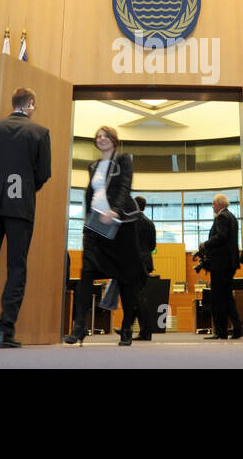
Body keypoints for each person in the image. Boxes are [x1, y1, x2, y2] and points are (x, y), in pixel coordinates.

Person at [0, 87, 52, 348]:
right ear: (31, 104)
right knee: (17, 268)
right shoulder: (40, 133)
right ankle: (5, 330)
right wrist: (24, 187)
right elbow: (43, 172)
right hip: (20, 208)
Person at [63, 125, 145, 346]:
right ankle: (79, 326)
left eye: (105, 135)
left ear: (114, 139)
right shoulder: (93, 165)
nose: (101, 138)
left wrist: (115, 210)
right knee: (86, 273)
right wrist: (88, 220)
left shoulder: (123, 159)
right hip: (96, 226)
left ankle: (127, 327)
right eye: (98, 136)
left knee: (126, 278)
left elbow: (125, 187)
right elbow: (93, 193)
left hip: (121, 226)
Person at [196, 193, 243, 339]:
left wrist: (205, 244)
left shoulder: (222, 217)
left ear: (220, 204)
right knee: (227, 296)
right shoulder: (232, 217)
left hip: (221, 263)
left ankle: (221, 331)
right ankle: (236, 328)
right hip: (229, 263)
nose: (212, 206)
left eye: (213, 203)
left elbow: (221, 236)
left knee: (218, 297)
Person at [127, 195, 158, 341]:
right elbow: (152, 246)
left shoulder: (132, 220)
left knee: (137, 297)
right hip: (146, 262)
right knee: (137, 296)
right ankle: (127, 326)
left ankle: (145, 331)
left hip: (134, 262)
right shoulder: (150, 223)